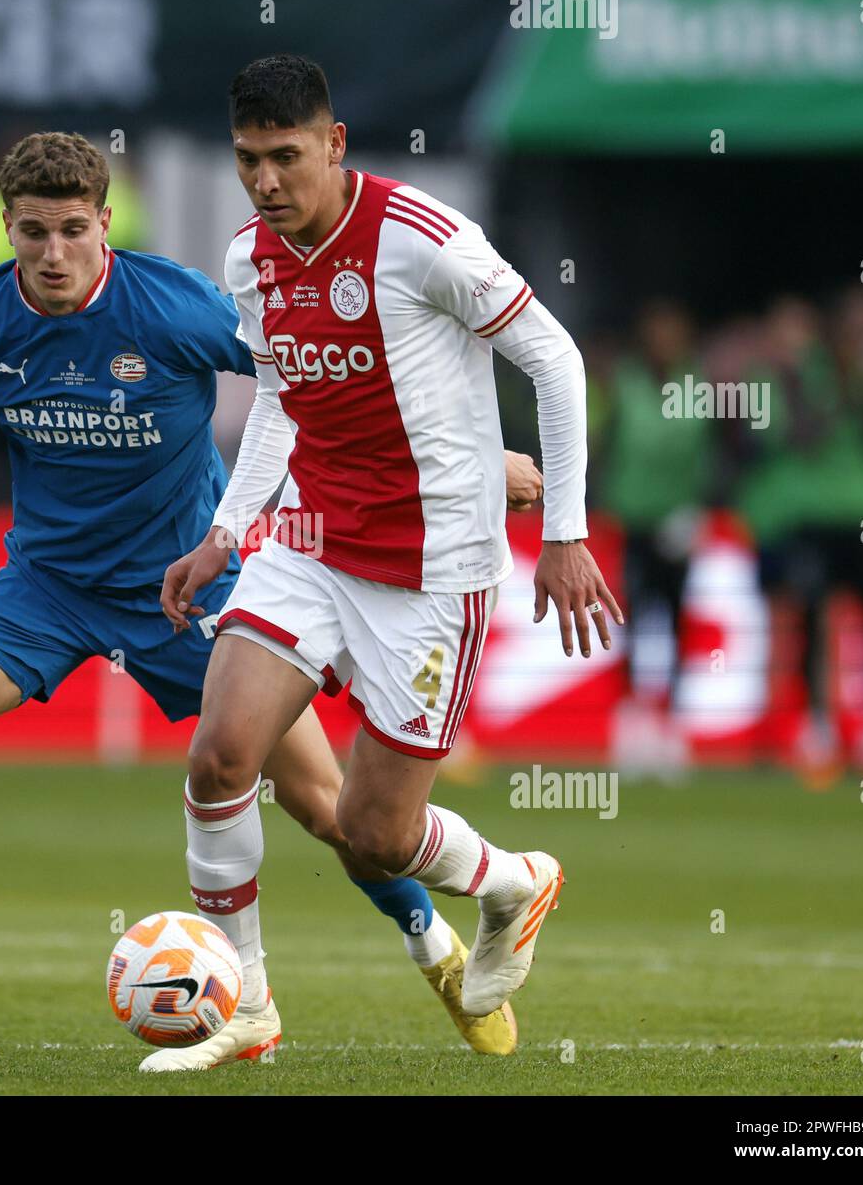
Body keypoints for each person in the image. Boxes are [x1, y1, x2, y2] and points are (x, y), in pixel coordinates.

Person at [0, 131, 543, 1059]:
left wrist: (477, 463)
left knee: (332, 813)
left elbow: (323, 381)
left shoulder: (172, 307)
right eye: (34, 233)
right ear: (5, 228)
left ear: (106, 224)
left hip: (187, 591)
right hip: (44, 588)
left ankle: (439, 951)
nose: (53, 255)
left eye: (73, 231)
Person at [156, 55, 622, 1071]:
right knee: (221, 755)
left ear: (333, 145)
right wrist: (229, 531)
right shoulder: (250, 259)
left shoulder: (422, 241)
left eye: (285, 157)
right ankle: (245, 1007)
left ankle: (510, 881)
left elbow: (554, 357)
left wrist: (566, 533)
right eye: (247, 162)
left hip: (432, 572)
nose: (267, 181)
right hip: (309, 546)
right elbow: (283, 400)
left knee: (371, 833)